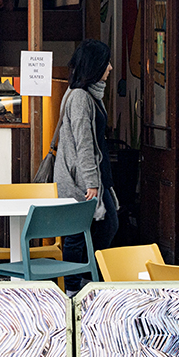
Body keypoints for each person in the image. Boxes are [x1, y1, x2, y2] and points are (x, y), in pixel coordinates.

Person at [54, 39, 119, 292]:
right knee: (81, 232)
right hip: (80, 179)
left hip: (94, 175)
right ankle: (73, 286)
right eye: (106, 63)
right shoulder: (80, 97)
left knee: (97, 227)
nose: (111, 68)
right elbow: (83, 143)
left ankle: (84, 280)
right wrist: (91, 182)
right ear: (95, 65)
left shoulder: (89, 95)